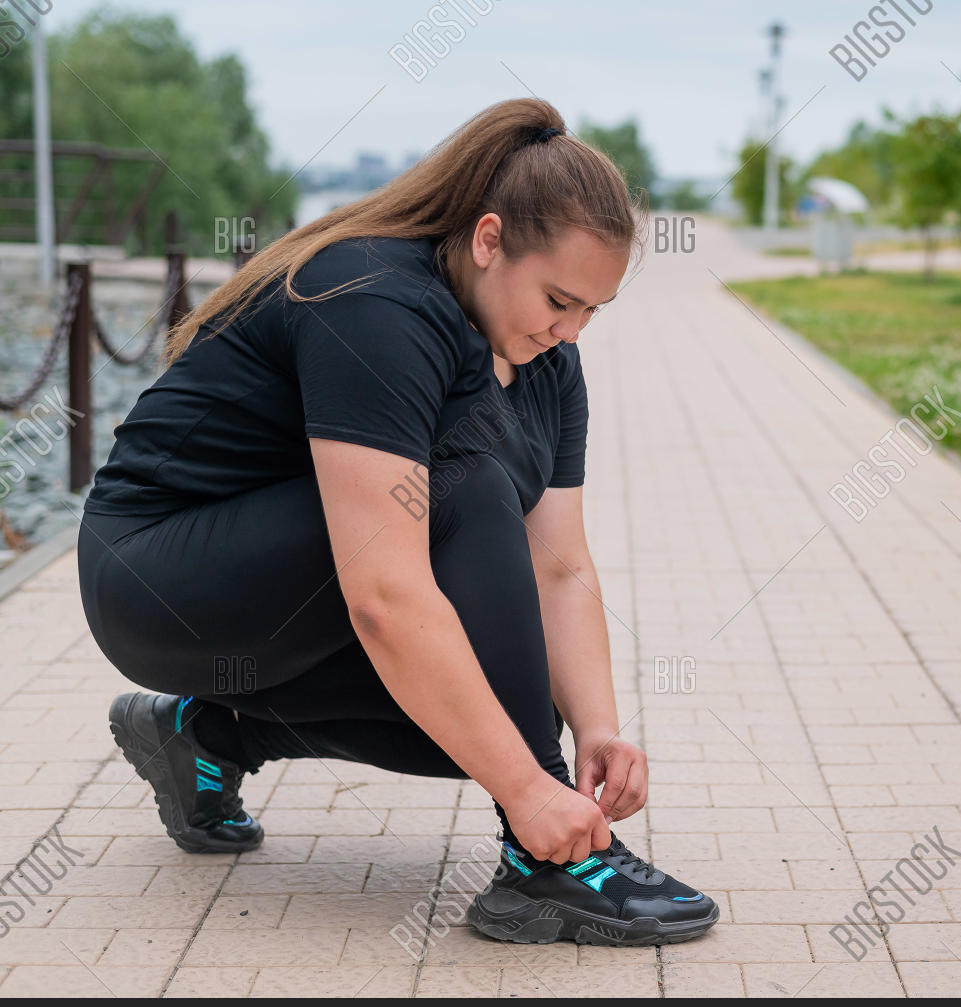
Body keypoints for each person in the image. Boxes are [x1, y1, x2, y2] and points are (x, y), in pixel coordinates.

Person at [75, 98, 717, 948]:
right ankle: (547, 869)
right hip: (156, 576)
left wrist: (597, 727)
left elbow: (559, 566)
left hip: (284, 595)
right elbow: (383, 592)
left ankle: (204, 735)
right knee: (466, 504)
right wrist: (534, 796)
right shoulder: (376, 302)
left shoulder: (549, 365)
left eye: (591, 311)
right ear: (489, 241)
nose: (569, 331)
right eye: (559, 298)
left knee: (509, 713)